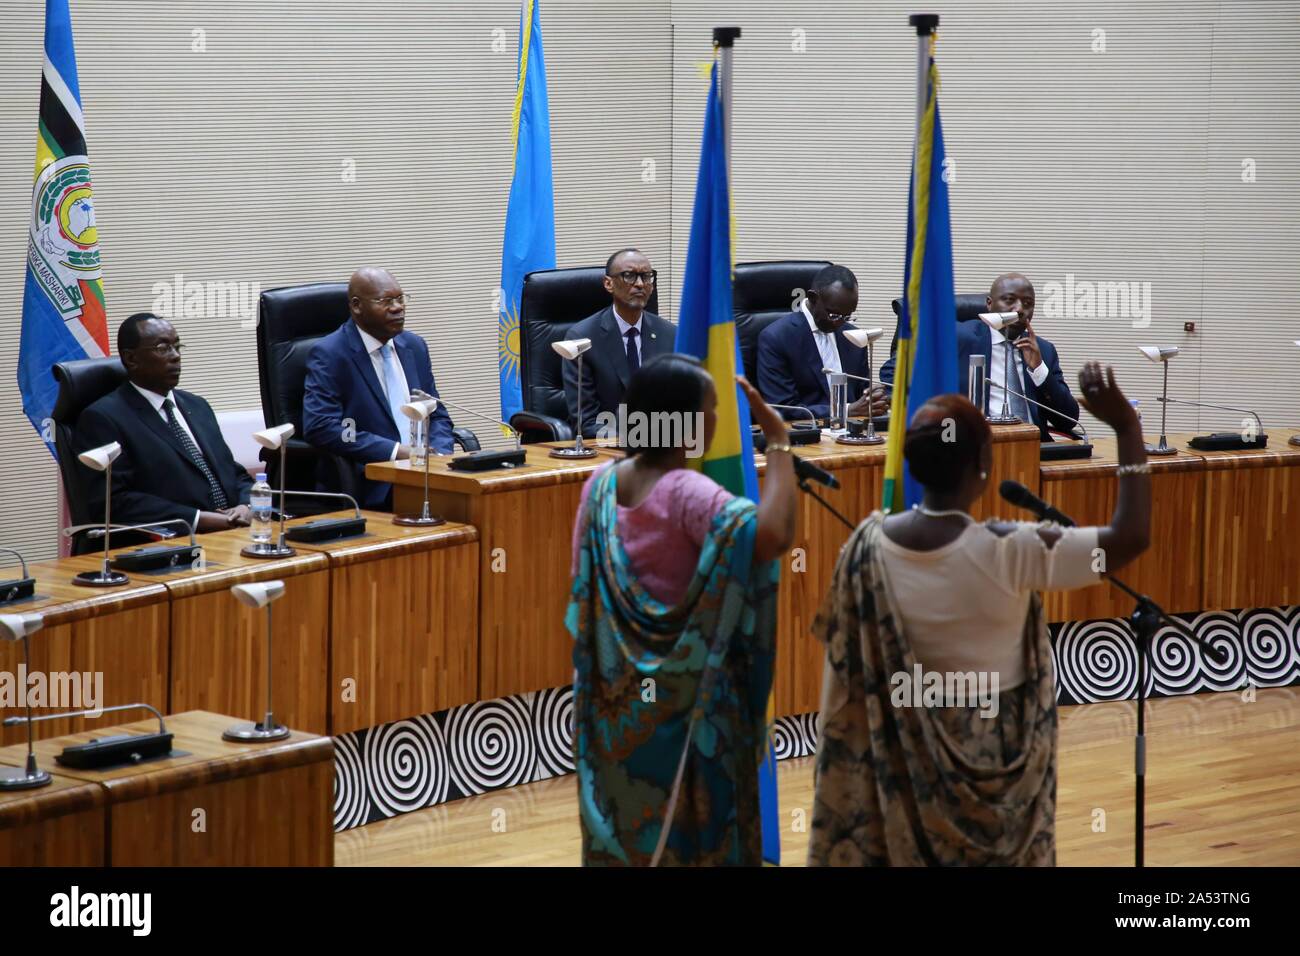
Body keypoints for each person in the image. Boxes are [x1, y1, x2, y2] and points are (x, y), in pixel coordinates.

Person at [808, 363, 1150, 866]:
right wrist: (1127, 428)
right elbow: (1130, 538)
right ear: (984, 467)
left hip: (900, 758)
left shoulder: (865, 550)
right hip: (998, 751)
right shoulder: (1011, 550)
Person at [566, 354, 797, 866]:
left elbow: (585, 601)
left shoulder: (598, 487)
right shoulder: (689, 493)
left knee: (629, 834)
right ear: (685, 422)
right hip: (688, 713)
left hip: (616, 710)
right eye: (712, 408)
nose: (718, 419)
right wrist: (779, 443)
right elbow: (773, 535)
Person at [77, 313, 254, 534]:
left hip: (233, 533)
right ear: (131, 359)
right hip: (171, 543)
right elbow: (113, 501)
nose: (175, 356)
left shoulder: (197, 406)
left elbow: (233, 473)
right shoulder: (104, 418)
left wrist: (246, 506)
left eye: (177, 347)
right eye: (162, 348)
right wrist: (198, 519)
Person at [303, 267, 455, 509]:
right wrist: (396, 452)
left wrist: (441, 455)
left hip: (428, 474)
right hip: (374, 482)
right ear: (356, 306)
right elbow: (322, 426)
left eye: (400, 298)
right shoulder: (330, 354)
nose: (397, 307)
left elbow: (437, 414)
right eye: (385, 301)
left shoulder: (414, 346)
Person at [881, 272, 1078, 441]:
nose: (1019, 309)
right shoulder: (956, 337)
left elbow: (1068, 419)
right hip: (970, 447)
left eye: (1028, 303)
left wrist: (1039, 370)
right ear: (989, 305)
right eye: (1009, 300)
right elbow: (892, 373)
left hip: (1032, 449)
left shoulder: (1043, 350)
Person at [561, 248, 676, 437]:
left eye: (646, 276)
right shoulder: (582, 338)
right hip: (609, 449)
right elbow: (586, 422)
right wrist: (637, 440)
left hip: (661, 449)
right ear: (608, 283)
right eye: (629, 276)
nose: (640, 284)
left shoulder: (670, 335)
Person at [755, 264, 889, 422]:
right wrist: (844, 411)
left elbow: (861, 394)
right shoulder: (776, 338)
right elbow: (782, 407)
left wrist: (873, 398)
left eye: (847, 316)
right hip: (807, 436)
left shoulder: (854, 337)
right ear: (813, 298)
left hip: (854, 435)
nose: (839, 322)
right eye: (833, 314)